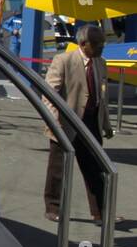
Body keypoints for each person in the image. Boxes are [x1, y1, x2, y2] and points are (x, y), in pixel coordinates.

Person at [43, 23, 114, 224]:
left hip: (91, 122)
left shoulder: (100, 62)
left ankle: (100, 212)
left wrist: (106, 124)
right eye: (97, 44)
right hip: (65, 122)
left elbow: (102, 96)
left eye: (103, 43)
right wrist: (54, 120)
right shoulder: (64, 60)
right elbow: (49, 93)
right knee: (58, 169)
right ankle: (53, 208)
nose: (102, 47)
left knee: (95, 168)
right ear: (83, 44)